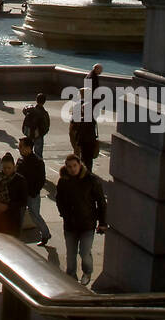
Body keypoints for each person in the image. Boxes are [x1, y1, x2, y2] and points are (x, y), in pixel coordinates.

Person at [55, 154, 107, 286]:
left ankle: (87, 272)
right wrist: (64, 213)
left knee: (84, 252)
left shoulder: (91, 180)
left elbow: (101, 202)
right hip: (70, 224)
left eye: (74, 166)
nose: (72, 169)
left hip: (87, 224)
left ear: (80, 165)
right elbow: (59, 199)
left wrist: (102, 223)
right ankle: (71, 277)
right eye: (69, 166)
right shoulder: (63, 181)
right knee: (71, 255)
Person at [0, 153, 27, 292]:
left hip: (11, 219)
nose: (6, 170)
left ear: (13, 166)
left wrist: (8, 206)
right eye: (4, 168)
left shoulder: (20, 180)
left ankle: (9, 282)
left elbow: (23, 201)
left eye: (9, 168)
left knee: (11, 252)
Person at [16, 136, 51, 245]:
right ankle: (16, 238)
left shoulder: (37, 162)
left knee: (34, 214)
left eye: (21, 147)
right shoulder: (20, 160)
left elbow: (41, 179)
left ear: (29, 148)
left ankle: (45, 234)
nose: (19, 149)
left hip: (32, 194)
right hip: (21, 194)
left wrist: (34, 191)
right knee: (19, 215)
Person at [22, 92, 50, 159]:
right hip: (39, 134)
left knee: (27, 152)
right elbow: (47, 125)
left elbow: (24, 111)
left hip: (29, 133)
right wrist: (42, 133)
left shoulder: (30, 109)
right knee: (38, 153)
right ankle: (38, 165)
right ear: (44, 101)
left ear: (36, 100)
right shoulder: (44, 113)